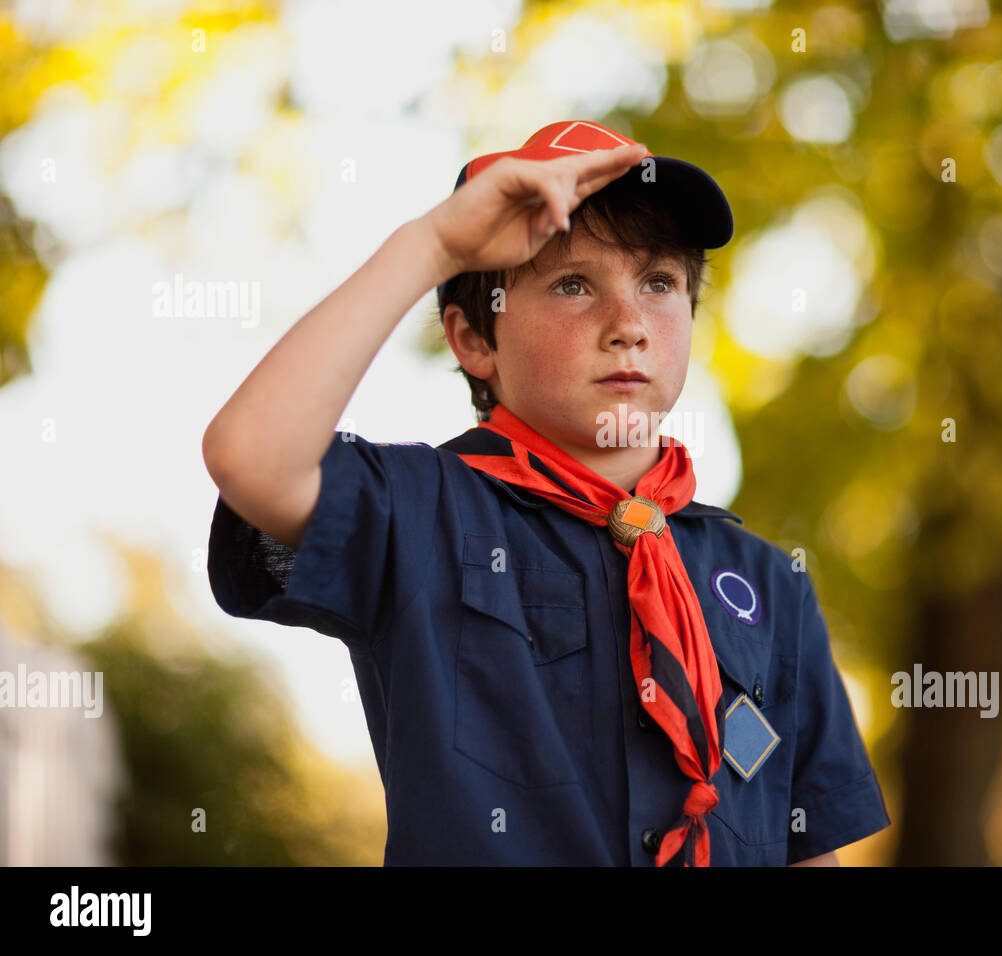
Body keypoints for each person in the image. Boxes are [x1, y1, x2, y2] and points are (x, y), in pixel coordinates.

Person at [203, 120, 890, 866]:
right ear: (474, 340)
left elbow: (808, 847)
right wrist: (432, 248)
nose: (628, 325)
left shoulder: (767, 583)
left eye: (659, 283)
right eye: (572, 283)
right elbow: (250, 458)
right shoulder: (419, 511)